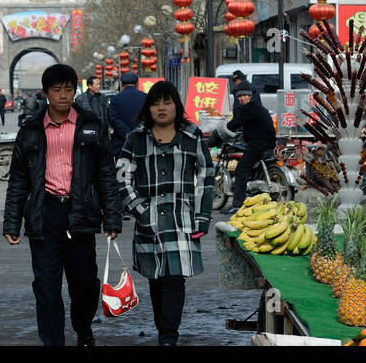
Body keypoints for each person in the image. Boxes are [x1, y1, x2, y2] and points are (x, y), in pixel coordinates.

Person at [2, 63, 121, 346]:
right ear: (46, 93)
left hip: (80, 214)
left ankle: (83, 329)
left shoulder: (91, 126)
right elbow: (18, 179)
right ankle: (52, 340)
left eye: (68, 89)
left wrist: (112, 217)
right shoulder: (30, 130)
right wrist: (12, 221)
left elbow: (106, 173)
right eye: (57, 89)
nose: (64, 95)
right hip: (45, 215)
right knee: (46, 287)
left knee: (85, 285)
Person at [118, 80, 215, 346]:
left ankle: (168, 336)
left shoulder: (192, 135)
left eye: (167, 102)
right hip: (148, 220)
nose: (161, 108)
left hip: (181, 218)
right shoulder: (135, 139)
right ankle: (164, 330)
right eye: (155, 102)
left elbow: (207, 176)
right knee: (156, 278)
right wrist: (141, 210)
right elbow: (121, 178)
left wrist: (202, 217)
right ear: (148, 107)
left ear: (176, 105)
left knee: (174, 278)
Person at [226, 81, 276, 210]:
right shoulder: (258, 107)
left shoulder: (247, 110)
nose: (242, 98)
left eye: (244, 96)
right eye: (239, 96)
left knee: (241, 169)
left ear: (250, 96)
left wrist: (217, 135)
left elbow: (232, 125)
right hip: (268, 142)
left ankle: (237, 204)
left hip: (259, 143)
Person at [107, 70, 148, 157]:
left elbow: (113, 120)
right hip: (143, 142)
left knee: (123, 170)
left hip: (121, 144)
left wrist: (128, 134)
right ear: (136, 83)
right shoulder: (145, 97)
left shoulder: (115, 99)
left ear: (122, 84)